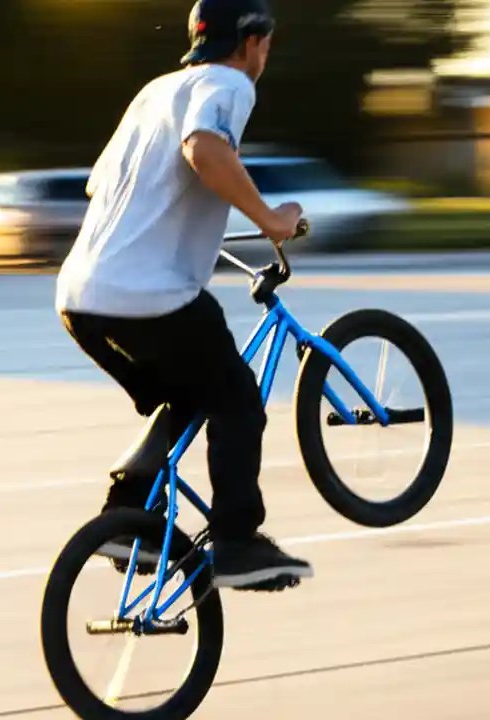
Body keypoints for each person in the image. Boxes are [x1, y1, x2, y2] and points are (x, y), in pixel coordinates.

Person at [55, 0, 312, 591]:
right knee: (237, 398)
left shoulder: (156, 90)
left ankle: (127, 517)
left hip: (80, 299)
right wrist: (271, 218)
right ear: (249, 42)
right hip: (146, 296)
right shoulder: (230, 83)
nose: (266, 54)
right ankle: (237, 541)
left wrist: (200, 230)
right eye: (266, 42)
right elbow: (203, 150)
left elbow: (107, 184)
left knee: (187, 393)